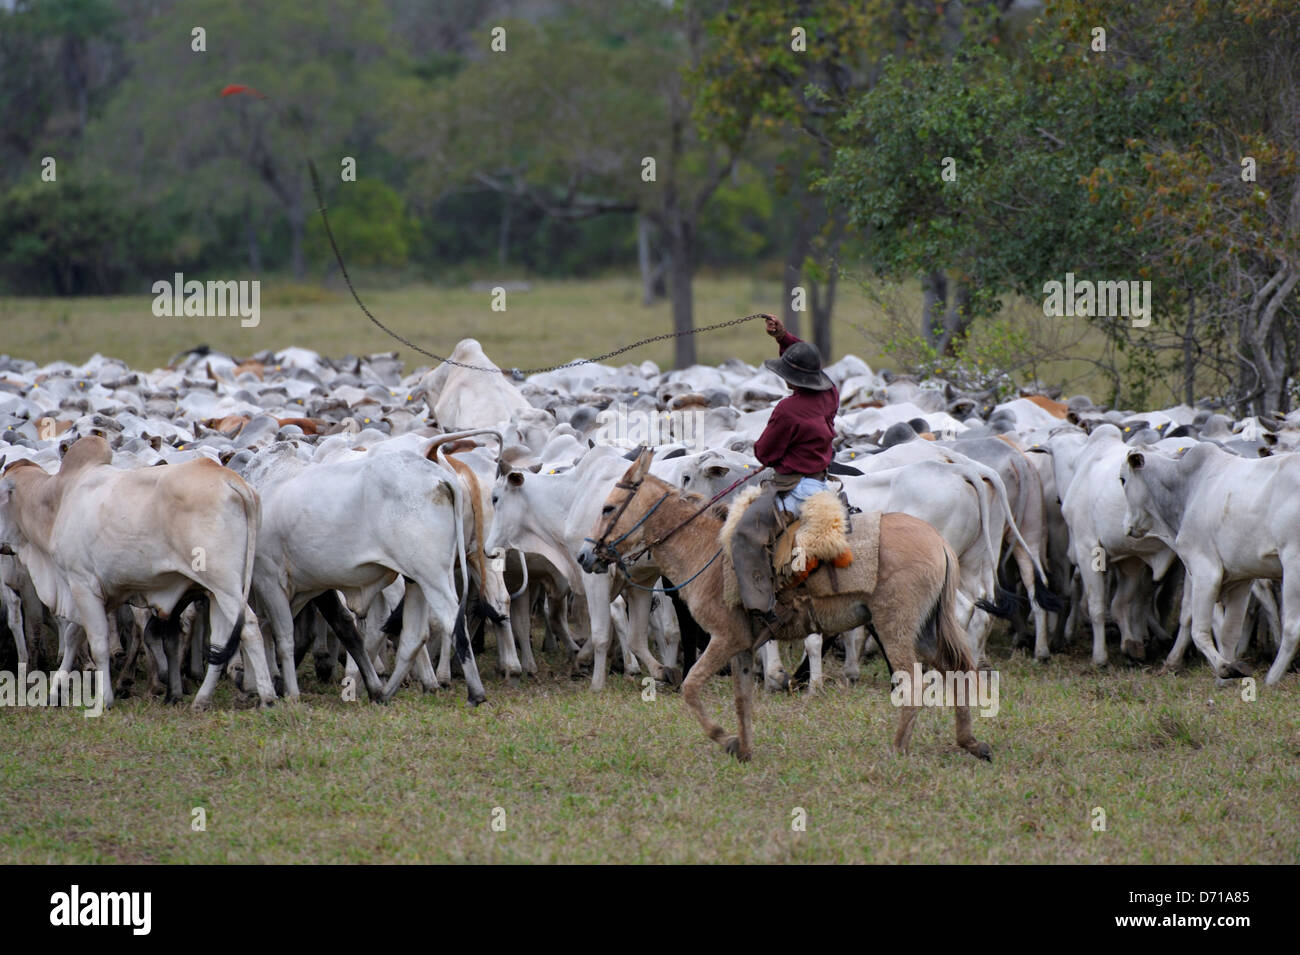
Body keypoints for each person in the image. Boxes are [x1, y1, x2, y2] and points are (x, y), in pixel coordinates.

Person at [731, 314, 839, 633]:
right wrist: (783, 338)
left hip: (795, 488)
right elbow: (811, 364)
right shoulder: (829, 393)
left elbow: (764, 453)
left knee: (743, 533)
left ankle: (759, 606)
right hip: (824, 479)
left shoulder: (787, 410)